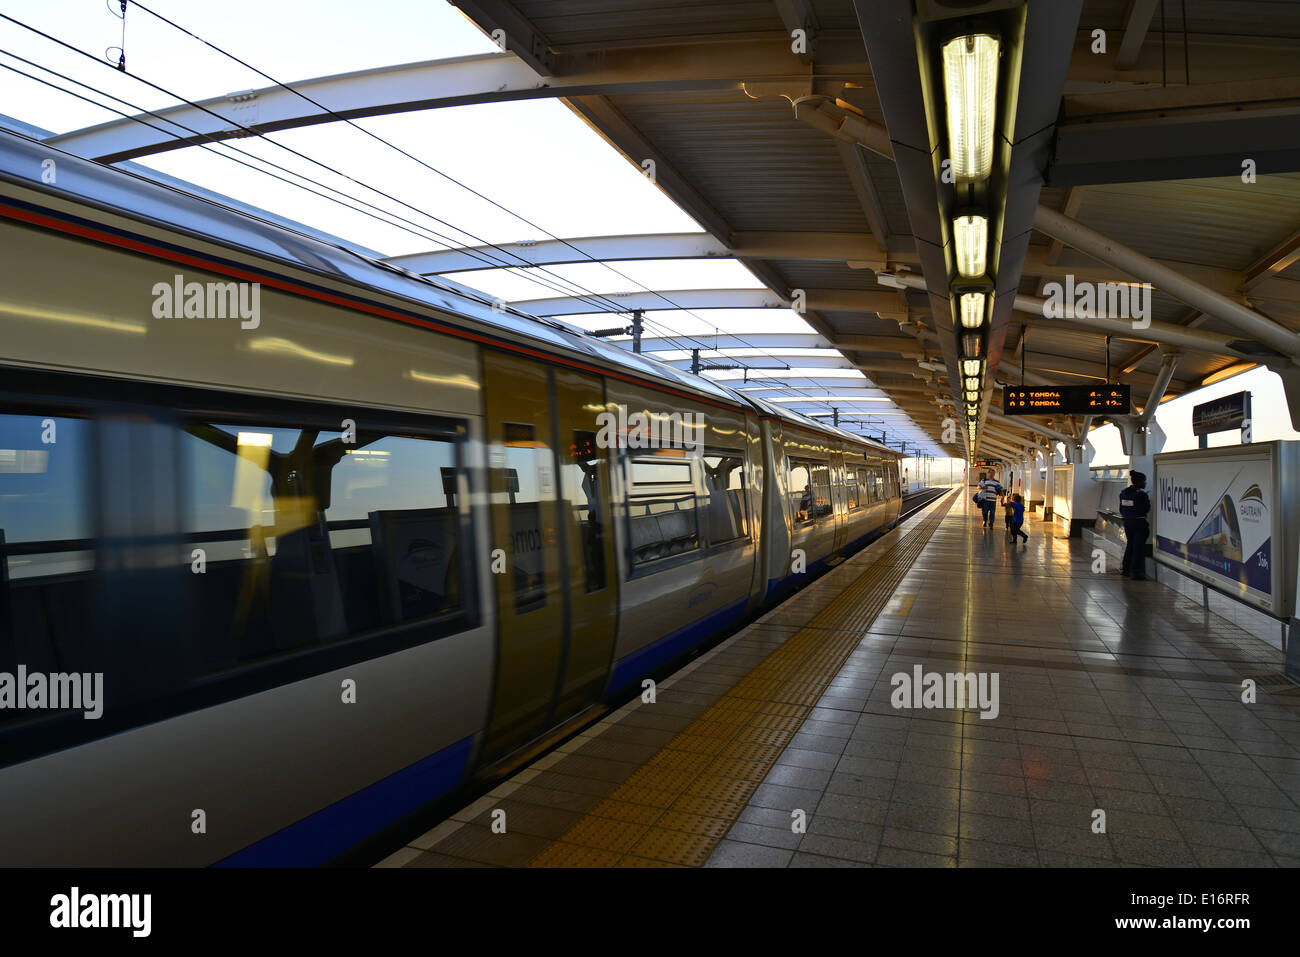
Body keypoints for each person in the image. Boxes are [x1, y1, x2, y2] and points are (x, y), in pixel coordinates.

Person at [1119, 469, 1151, 580]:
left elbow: (1121, 509)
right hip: (1139, 523)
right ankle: (1136, 572)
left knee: (1130, 545)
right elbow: (1146, 509)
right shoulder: (1141, 495)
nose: (1145, 483)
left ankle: (1125, 569)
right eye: (1144, 481)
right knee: (1138, 547)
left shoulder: (1123, 493)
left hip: (1127, 522)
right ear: (1139, 482)